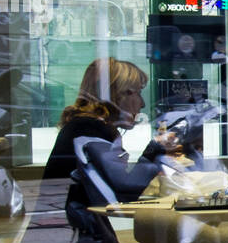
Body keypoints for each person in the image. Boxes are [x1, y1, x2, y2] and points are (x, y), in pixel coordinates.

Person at [44, 58, 180, 201]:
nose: (142, 103)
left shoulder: (86, 127)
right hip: (64, 220)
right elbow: (125, 189)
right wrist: (156, 148)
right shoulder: (89, 130)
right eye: (137, 93)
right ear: (118, 95)